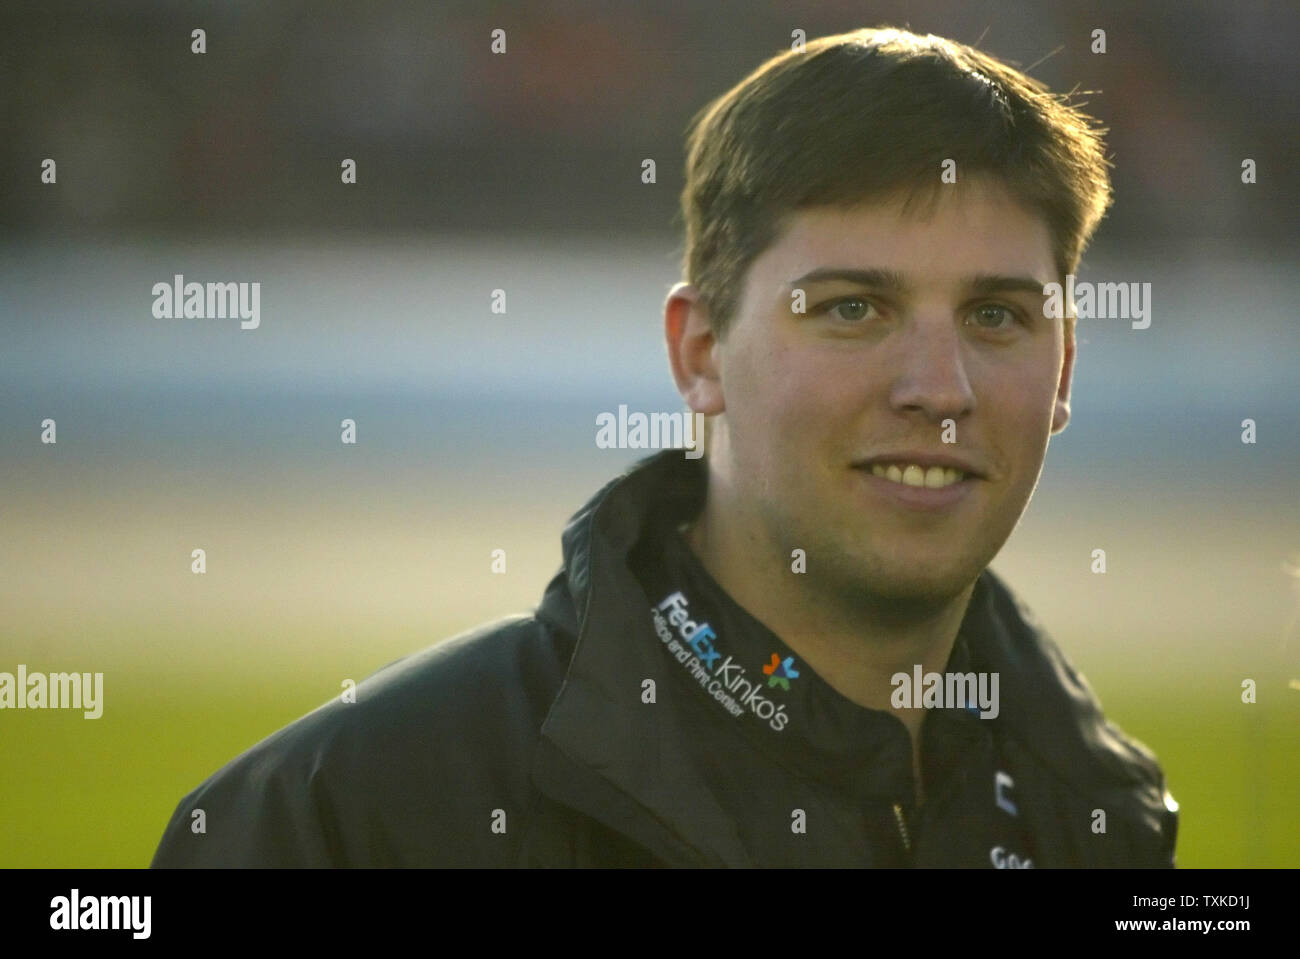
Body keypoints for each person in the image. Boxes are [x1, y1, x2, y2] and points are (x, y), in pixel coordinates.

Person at [151, 26, 1178, 868]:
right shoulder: (345, 819)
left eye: (996, 317)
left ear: (1065, 372)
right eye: (854, 307)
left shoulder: (1107, 823)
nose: (938, 388)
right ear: (699, 353)